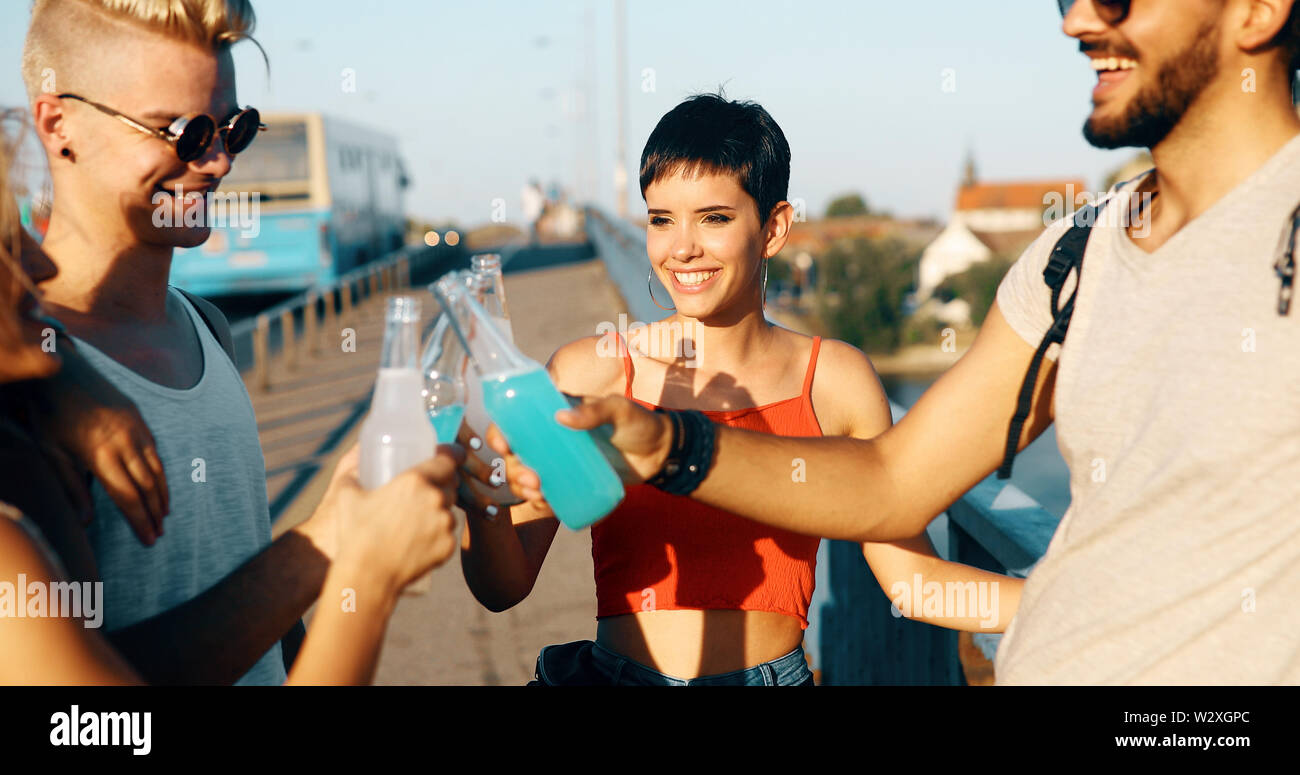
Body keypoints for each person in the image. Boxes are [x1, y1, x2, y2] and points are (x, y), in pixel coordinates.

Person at [497, 0, 1300, 685]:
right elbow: (892, 482)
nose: (1078, 21)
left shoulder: (833, 374)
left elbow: (905, 550)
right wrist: (659, 445)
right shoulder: (1073, 260)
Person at [462, 94, 1021, 686]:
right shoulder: (590, 371)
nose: (680, 248)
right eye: (660, 219)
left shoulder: (835, 380)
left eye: (715, 218)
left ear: (774, 227)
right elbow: (504, 588)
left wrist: (1092, 605)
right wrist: (482, 501)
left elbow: (916, 585)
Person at [0, 115, 463, 685]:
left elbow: (262, 618)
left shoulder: (191, 333)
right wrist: (360, 571)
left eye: (237, 132)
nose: (218, 161)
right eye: (6, 244)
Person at [17, 0, 380, 684]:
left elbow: (251, 584)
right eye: (181, 132)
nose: (216, 163)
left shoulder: (205, 328)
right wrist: (331, 543)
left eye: (234, 129)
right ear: (57, 124)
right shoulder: (23, 379)